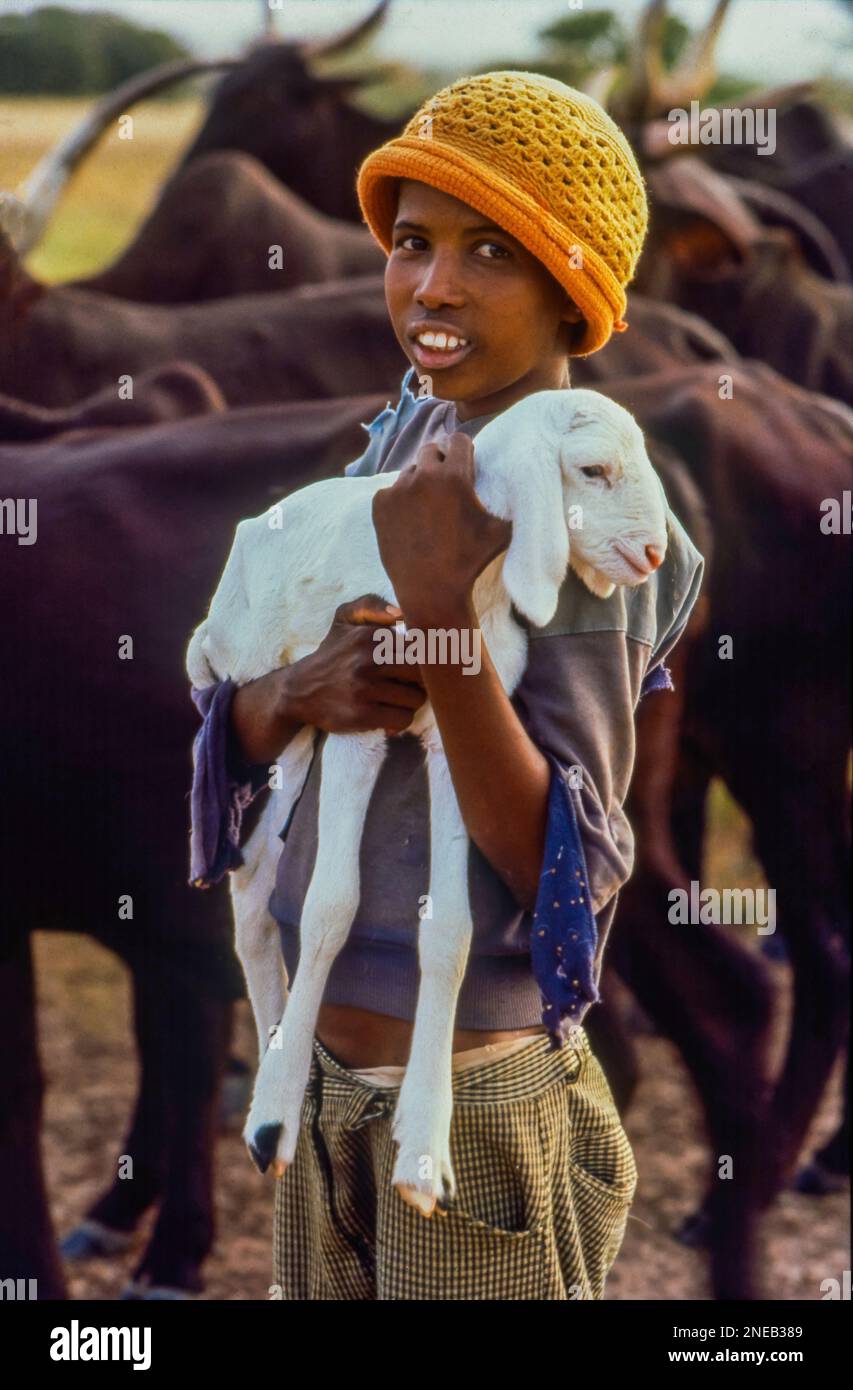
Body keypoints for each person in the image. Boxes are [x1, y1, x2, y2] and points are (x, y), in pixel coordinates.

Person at [188, 70, 705, 1301]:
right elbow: (255, 723)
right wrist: (296, 692)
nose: (432, 285)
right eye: (411, 242)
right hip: (323, 1081)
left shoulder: (590, 518)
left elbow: (563, 871)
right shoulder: (400, 449)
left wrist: (440, 627)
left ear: (574, 296)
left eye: (491, 251)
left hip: (472, 1101)